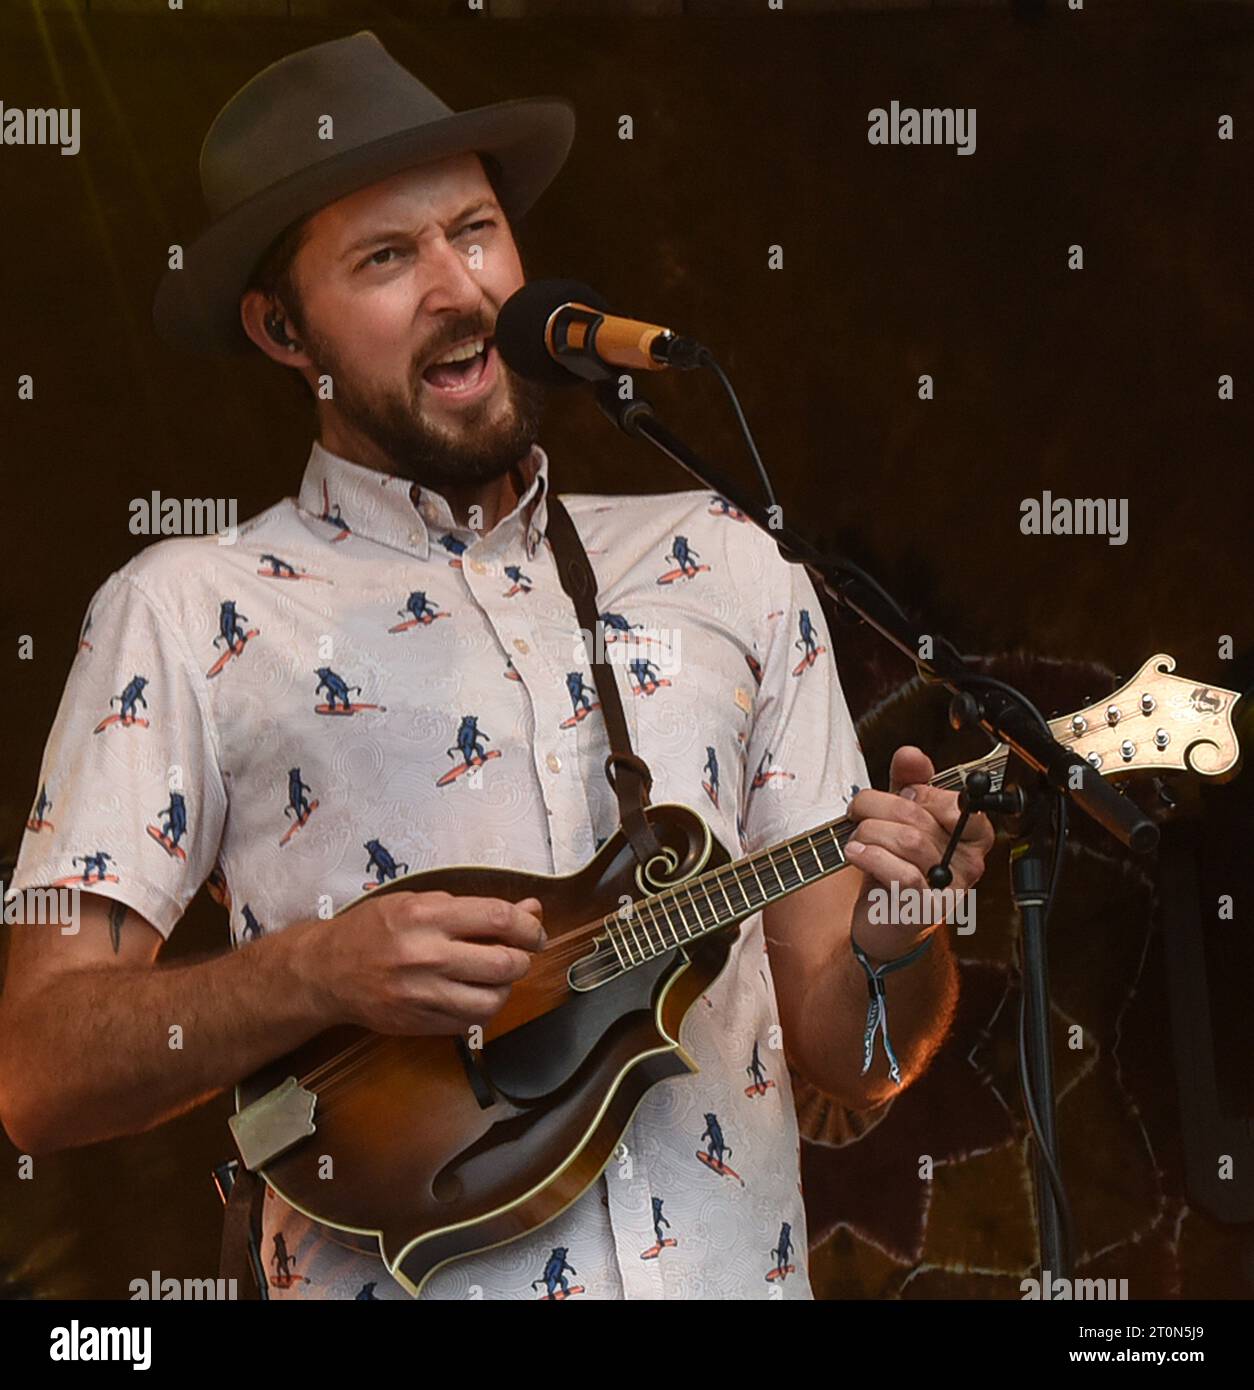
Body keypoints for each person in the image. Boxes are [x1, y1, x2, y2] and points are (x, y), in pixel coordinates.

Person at [0, 31, 992, 1300]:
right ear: (280, 328)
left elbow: (854, 1056)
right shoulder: (184, 610)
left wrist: (907, 929)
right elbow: (37, 1070)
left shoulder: (728, 563)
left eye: (473, 231)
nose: (457, 288)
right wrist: (315, 971)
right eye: (384, 258)